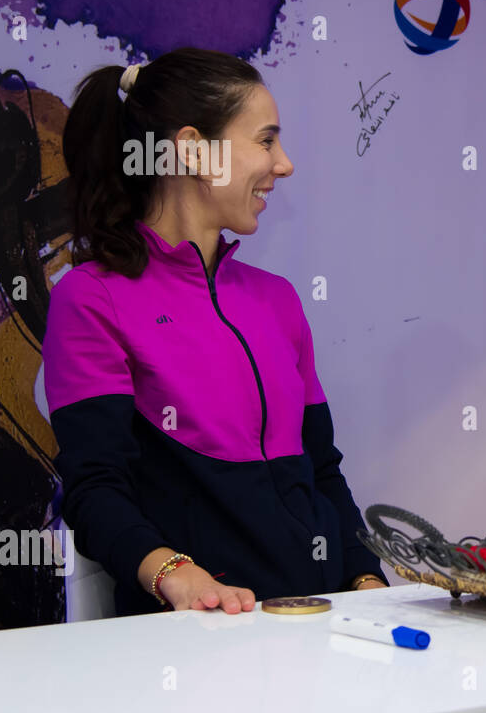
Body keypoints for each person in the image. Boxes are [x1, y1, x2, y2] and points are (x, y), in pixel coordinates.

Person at [42, 48, 386, 616]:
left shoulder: (277, 299)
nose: (284, 164)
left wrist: (366, 578)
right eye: (266, 140)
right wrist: (177, 577)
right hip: (196, 642)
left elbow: (322, 468)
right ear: (194, 150)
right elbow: (95, 488)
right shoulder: (91, 297)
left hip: (321, 625)